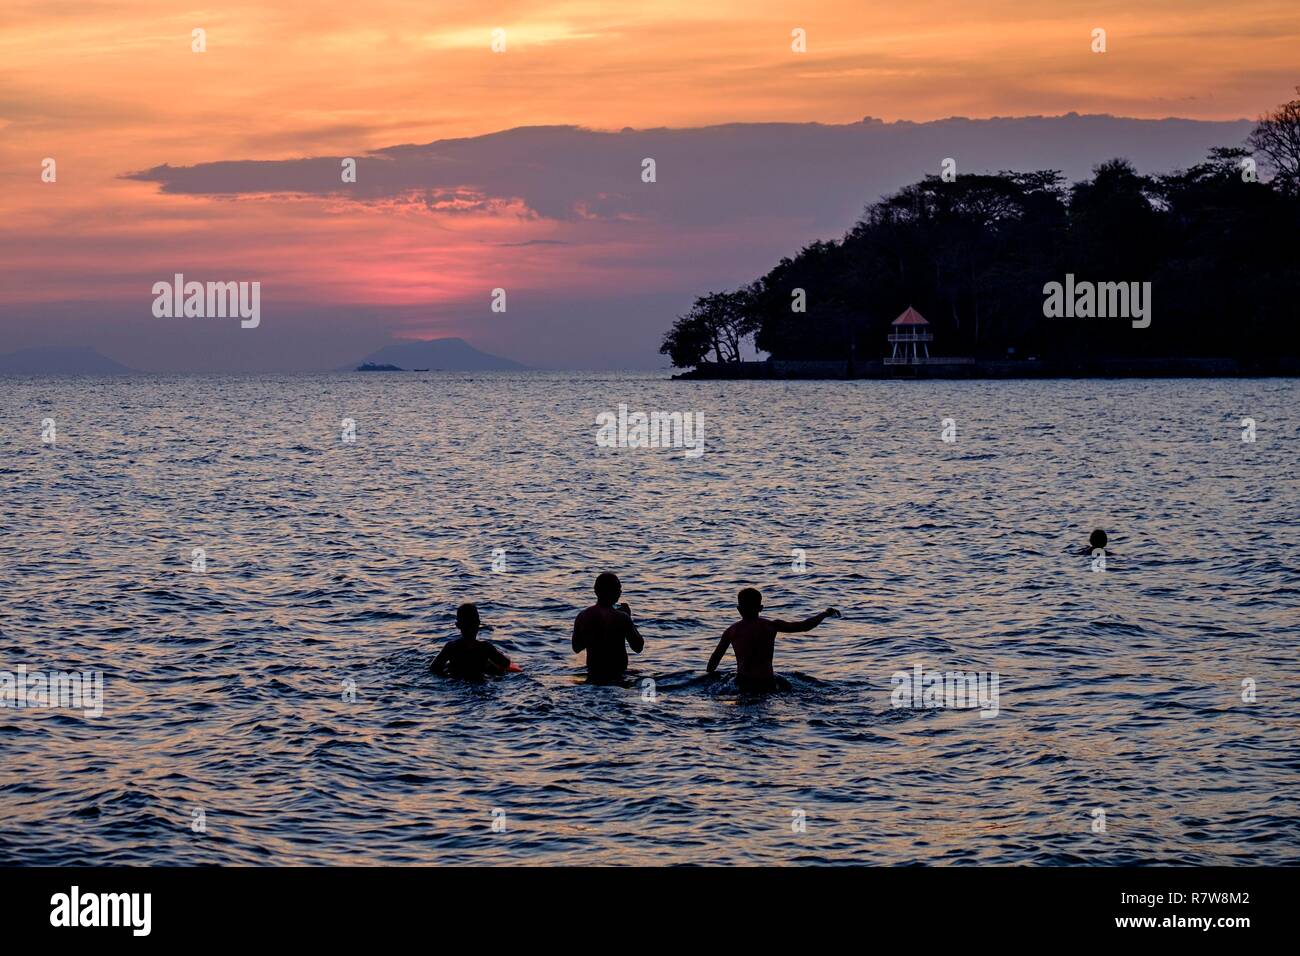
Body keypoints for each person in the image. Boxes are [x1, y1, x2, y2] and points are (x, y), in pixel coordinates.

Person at [707, 588, 839, 693]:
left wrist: (708, 677)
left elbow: (715, 659)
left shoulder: (732, 631)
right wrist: (825, 614)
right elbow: (804, 626)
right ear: (761, 608)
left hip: (743, 682)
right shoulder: (771, 626)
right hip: (767, 681)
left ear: (738, 609)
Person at [572, 572, 644, 681]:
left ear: (596, 591)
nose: (620, 592)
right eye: (618, 588)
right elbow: (638, 647)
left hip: (593, 675)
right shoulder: (622, 617)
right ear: (614, 592)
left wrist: (592, 636)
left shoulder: (583, 616)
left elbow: (576, 648)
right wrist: (629, 618)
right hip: (617, 675)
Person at [431, 603, 519, 679]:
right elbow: (505, 664)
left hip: (457, 680)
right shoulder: (485, 647)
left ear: (458, 625)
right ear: (478, 623)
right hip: (479, 680)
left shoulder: (451, 647)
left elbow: (434, 669)